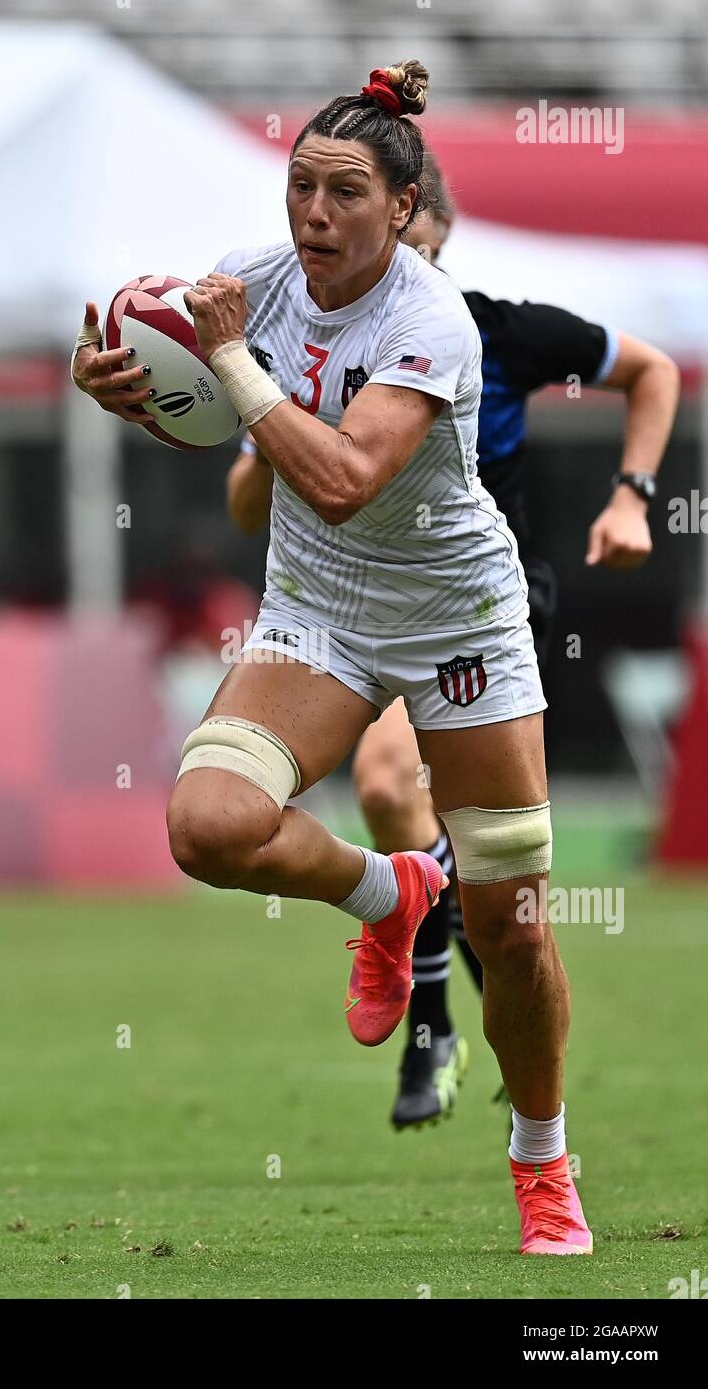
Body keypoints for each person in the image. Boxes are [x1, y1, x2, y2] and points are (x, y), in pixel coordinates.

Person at [72, 61, 592, 1255]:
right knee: (207, 825)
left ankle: (541, 1160)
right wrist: (107, 377)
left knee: (511, 924)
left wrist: (233, 364)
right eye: (299, 186)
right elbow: (166, 357)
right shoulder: (253, 283)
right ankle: (392, 891)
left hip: (457, 616)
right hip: (317, 612)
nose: (312, 213)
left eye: (344, 193)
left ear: (401, 210)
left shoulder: (429, 320)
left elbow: (347, 481)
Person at [226, 149, 680, 1131]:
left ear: (420, 232)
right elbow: (245, 500)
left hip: (474, 611)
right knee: (398, 807)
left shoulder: (495, 331)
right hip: (349, 608)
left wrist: (633, 499)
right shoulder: (308, 335)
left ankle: (448, 1022)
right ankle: (432, 1001)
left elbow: (649, 369)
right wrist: (267, 428)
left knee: (478, 874)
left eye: (419, 248)